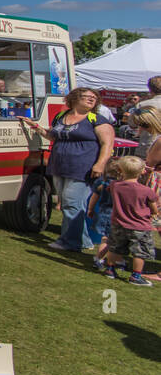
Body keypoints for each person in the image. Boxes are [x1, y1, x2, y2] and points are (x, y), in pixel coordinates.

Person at [18, 87, 115, 253]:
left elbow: (108, 144)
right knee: (69, 205)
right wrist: (35, 127)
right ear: (75, 98)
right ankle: (83, 241)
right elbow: (54, 136)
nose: (91, 99)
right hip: (59, 165)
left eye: (94, 98)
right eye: (87, 96)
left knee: (72, 204)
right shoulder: (62, 116)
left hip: (83, 168)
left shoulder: (97, 119)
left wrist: (100, 164)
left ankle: (69, 242)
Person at [102, 155, 159, 287]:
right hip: (140, 226)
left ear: (120, 170)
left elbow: (110, 187)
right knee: (139, 252)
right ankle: (136, 276)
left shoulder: (115, 186)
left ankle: (110, 269)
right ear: (142, 172)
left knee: (114, 247)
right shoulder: (146, 191)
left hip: (118, 223)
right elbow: (154, 208)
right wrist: (154, 213)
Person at [86, 157, 120, 270]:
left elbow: (93, 198)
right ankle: (99, 258)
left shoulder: (101, 182)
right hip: (115, 215)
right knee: (110, 239)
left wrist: (90, 209)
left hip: (102, 212)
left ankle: (116, 259)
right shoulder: (121, 185)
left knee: (107, 238)